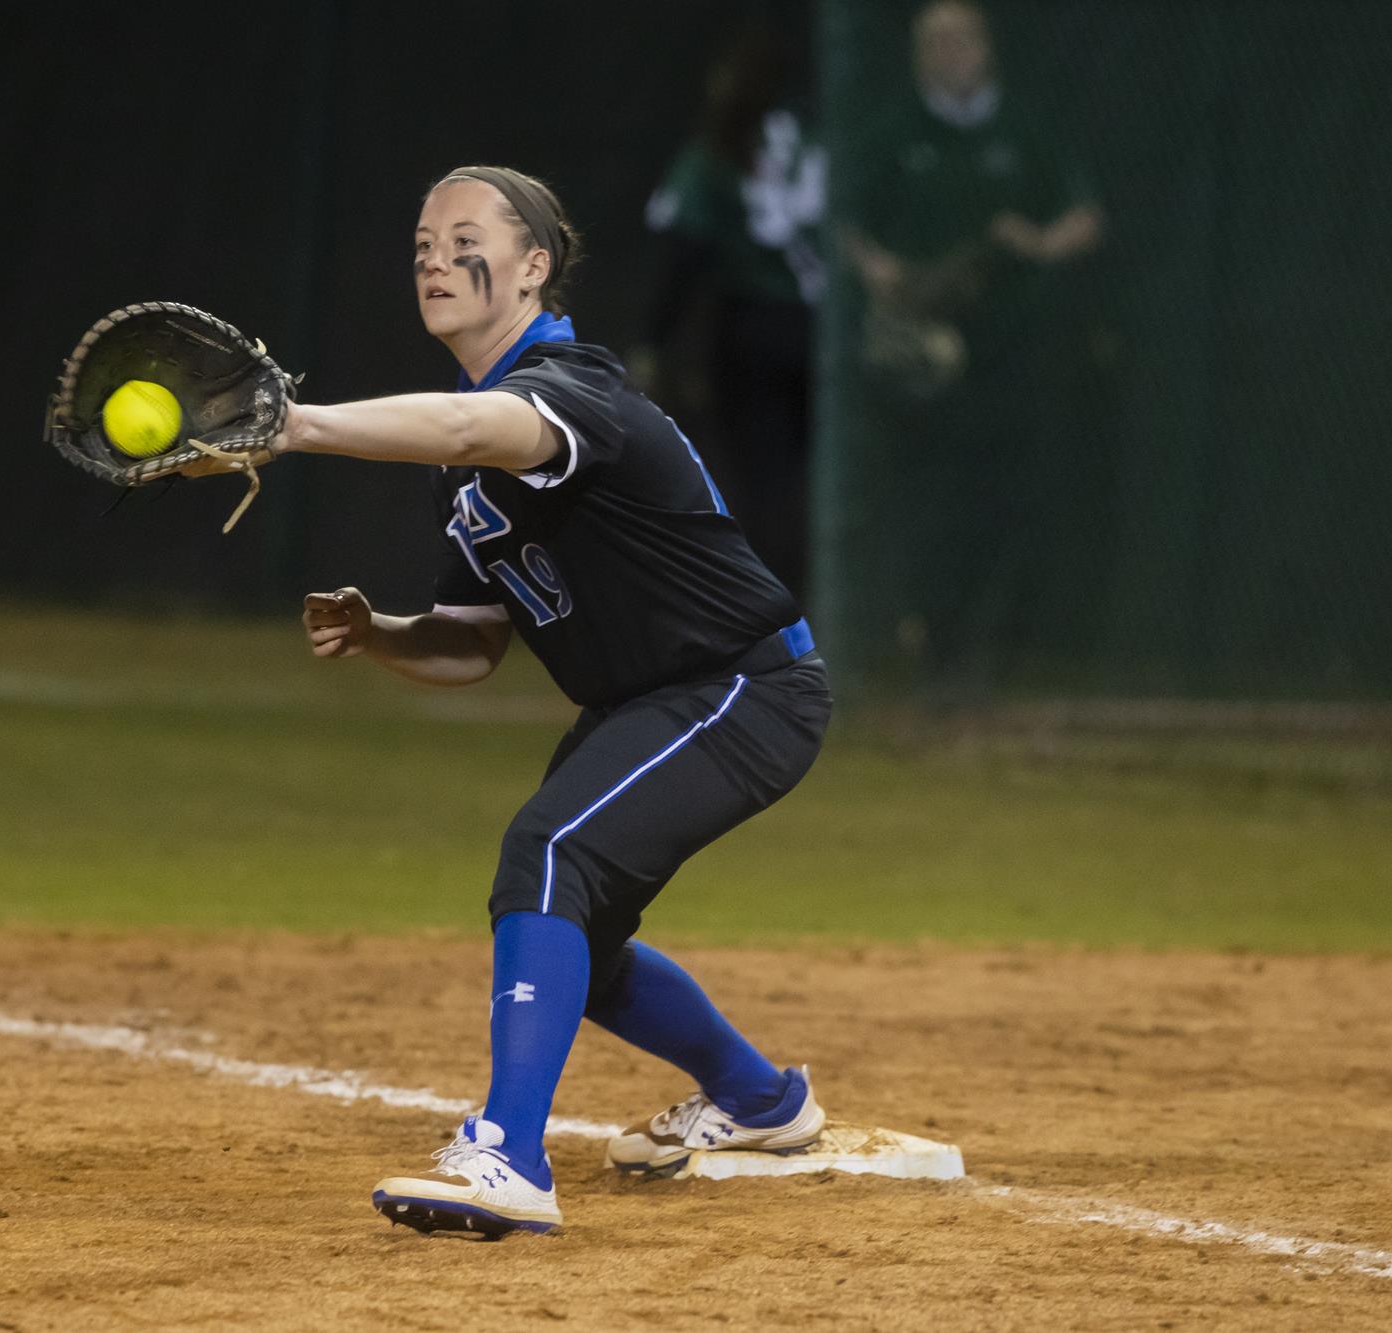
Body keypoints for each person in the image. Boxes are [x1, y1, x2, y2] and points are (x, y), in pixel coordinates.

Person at [227, 166, 833, 1237]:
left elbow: (477, 432)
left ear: (533, 267)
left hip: (742, 685)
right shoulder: (459, 451)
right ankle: (757, 1101)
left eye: (460, 235)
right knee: (577, 942)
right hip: (647, 702)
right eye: (418, 237)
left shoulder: (572, 386)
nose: (429, 254)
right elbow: (472, 646)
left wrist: (293, 427)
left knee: (548, 852)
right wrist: (380, 635)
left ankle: (507, 1154)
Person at [845, 0, 1103, 707]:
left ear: (986, 50)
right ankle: (934, 649)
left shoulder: (1022, 131)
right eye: (935, 41)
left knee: (1006, 505)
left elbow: (1085, 218)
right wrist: (883, 270)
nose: (949, 52)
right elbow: (847, 226)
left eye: (962, 40)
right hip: (924, 363)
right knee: (931, 507)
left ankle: (992, 657)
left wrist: (1038, 243)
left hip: (1012, 357)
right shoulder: (895, 135)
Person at [637, 24, 825, 594]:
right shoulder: (821, 142)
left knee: (763, 485)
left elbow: (686, 250)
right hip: (825, 333)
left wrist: (654, 341)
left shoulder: (721, 147)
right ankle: (827, 614)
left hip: (754, 330)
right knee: (818, 485)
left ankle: (777, 621)